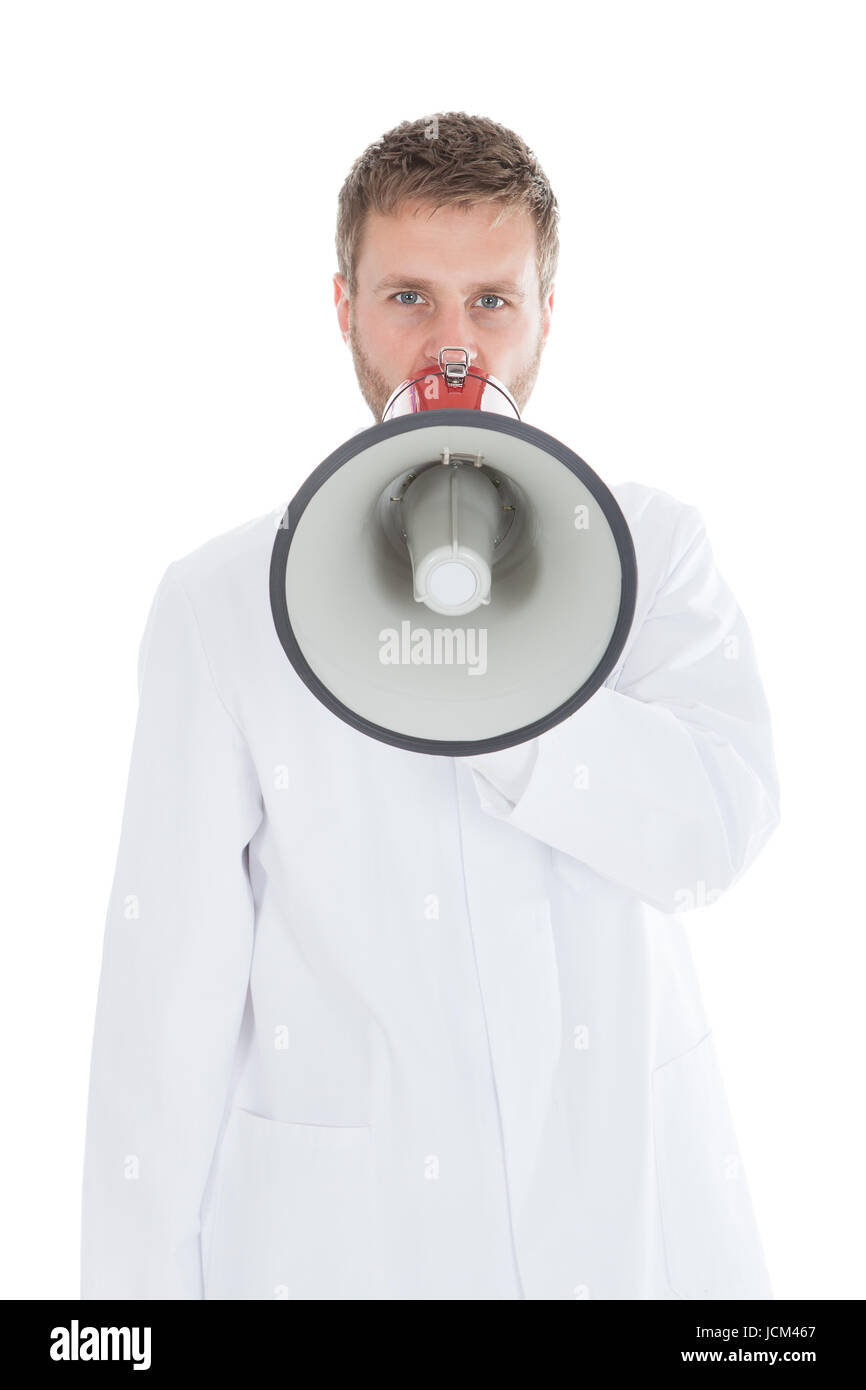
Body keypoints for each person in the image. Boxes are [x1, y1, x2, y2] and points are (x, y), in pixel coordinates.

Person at [80, 111, 781, 1301]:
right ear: (343, 304)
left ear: (546, 314)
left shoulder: (650, 551)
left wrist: (517, 690)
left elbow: (714, 832)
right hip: (347, 1243)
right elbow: (167, 1010)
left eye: (491, 302)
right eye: (408, 297)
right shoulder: (220, 604)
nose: (448, 349)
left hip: (622, 1231)